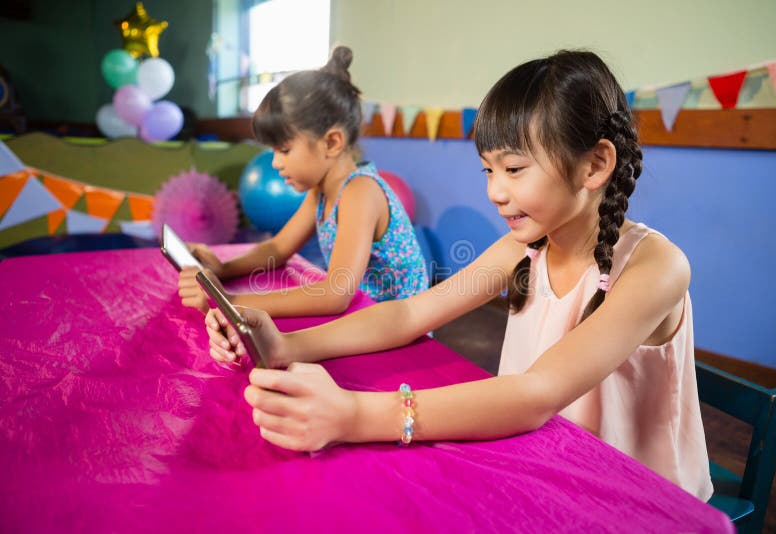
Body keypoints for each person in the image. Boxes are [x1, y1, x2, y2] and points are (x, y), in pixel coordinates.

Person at [204, 50, 713, 501]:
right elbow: (410, 313)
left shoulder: (656, 267)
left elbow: (537, 392)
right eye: (488, 171)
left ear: (596, 164)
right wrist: (284, 346)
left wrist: (355, 415)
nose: (494, 191)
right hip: (541, 459)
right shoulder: (523, 247)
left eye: (513, 169)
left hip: (630, 492)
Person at [178, 46, 429, 316]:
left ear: (331, 142)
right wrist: (223, 269)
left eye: (284, 150)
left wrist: (229, 302)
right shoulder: (322, 192)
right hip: (363, 320)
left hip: (399, 330)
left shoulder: (360, 192)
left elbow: (336, 293)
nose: (274, 163)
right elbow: (278, 247)